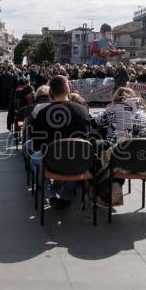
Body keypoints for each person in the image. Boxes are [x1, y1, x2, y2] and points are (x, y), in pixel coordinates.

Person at [28, 75, 90, 208]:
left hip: (51, 163)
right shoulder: (82, 111)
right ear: (68, 90)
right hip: (76, 162)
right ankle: (66, 194)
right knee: (77, 156)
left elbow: (37, 144)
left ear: (50, 92)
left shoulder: (42, 112)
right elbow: (86, 140)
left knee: (34, 158)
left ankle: (49, 193)